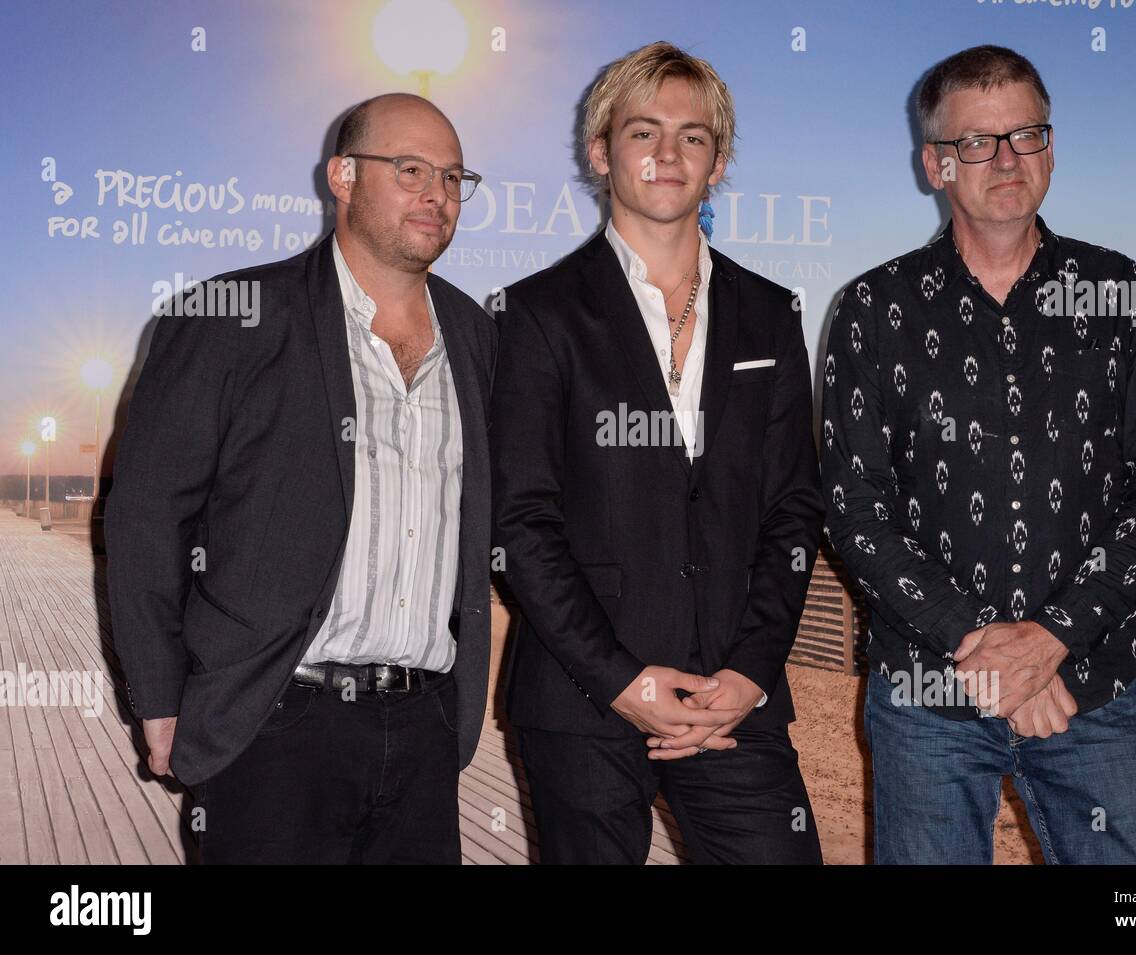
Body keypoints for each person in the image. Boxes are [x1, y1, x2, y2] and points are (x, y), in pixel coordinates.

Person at [822, 45, 1136, 864]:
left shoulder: (1119, 291)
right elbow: (853, 506)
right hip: (929, 693)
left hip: (1094, 686)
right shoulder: (872, 309)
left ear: (1051, 150)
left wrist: (1052, 637)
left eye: (1026, 135)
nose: (1005, 159)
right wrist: (983, 646)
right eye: (976, 142)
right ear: (935, 164)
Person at [106, 93, 497, 863]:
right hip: (274, 722)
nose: (437, 195)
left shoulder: (480, 336)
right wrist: (156, 697)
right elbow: (146, 514)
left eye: (454, 178)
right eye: (411, 168)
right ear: (343, 176)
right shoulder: (232, 315)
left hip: (423, 729)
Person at [491, 42, 823, 864]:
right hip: (582, 701)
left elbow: (794, 509)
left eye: (694, 136)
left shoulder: (771, 314)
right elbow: (520, 522)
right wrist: (623, 681)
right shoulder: (536, 314)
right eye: (644, 132)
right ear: (602, 153)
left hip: (733, 703)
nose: (669, 154)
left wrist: (750, 672)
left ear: (718, 164)